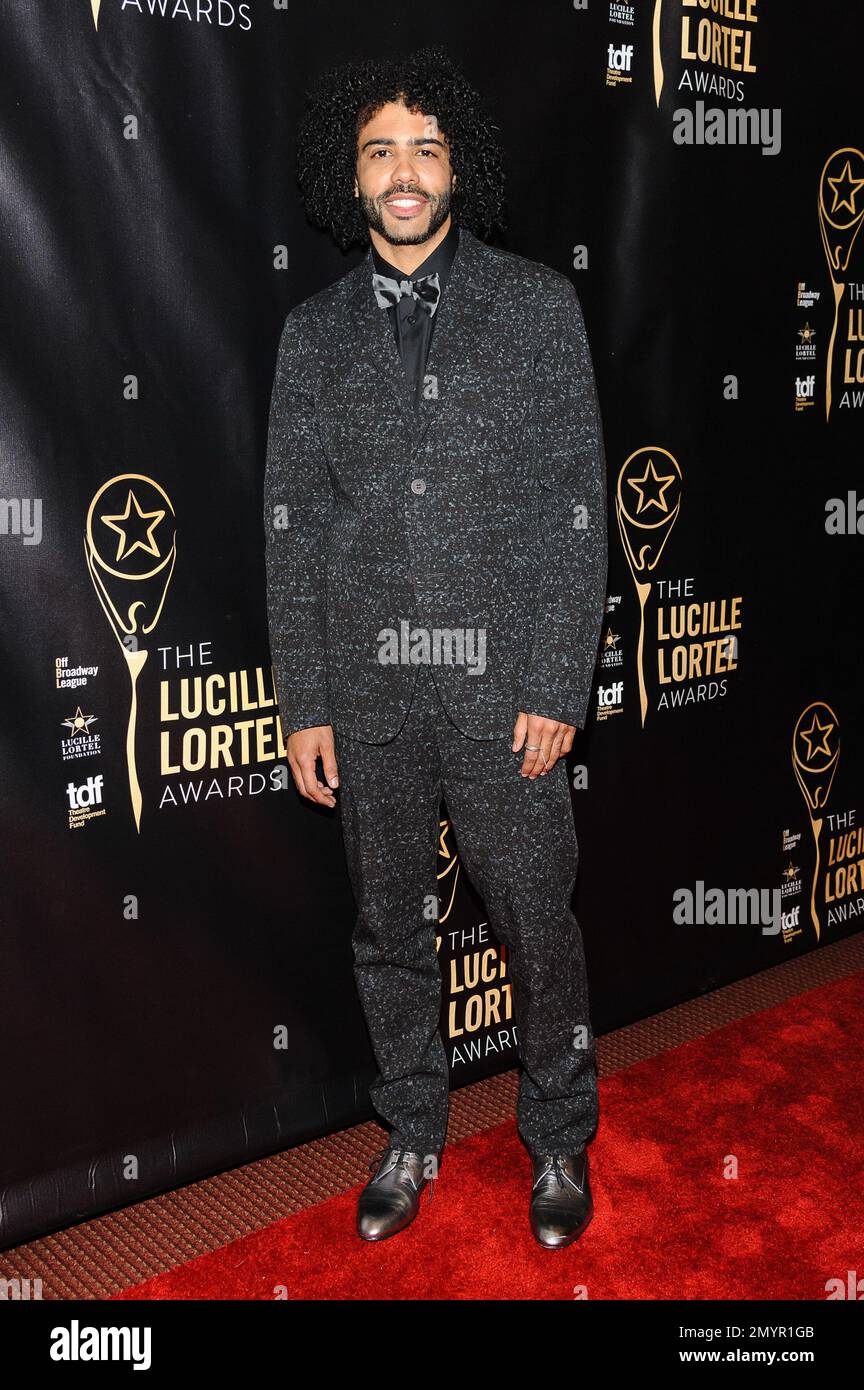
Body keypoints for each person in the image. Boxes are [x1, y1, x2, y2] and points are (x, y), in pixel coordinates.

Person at [263, 45, 608, 1249]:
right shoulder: (312, 336)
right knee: (389, 930)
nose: (403, 173)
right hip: (366, 696)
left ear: (458, 164)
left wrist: (559, 676)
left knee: (537, 923)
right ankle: (412, 1128)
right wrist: (306, 701)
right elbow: (292, 529)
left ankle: (560, 1137)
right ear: (347, 180)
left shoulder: (536, 306)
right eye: (379, 152)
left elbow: (578, 501)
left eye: (424, 148)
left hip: (506, 689)